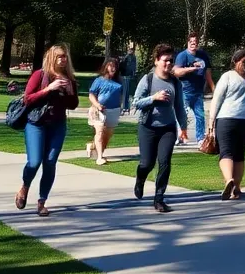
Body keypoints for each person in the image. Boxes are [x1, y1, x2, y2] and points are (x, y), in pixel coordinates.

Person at [16, 45, 79, 217]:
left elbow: (73, 105)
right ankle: (25, 186)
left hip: (57, 125)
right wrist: (48, 89)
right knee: (34, 162)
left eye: (65, 56)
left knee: (50, 162)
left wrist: (69, 91)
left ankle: (42, 202)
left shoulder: (69, 78)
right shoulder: (40, 75)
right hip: (36, 123)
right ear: (52, 58)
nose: (63, 59)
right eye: (59, 56)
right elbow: (27, 99)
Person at [133, 44, 189, 213]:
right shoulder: (148, 79)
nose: (168, 64)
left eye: (171, 60)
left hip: (168, 128)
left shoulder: (175, 82)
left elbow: (179, 106)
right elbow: (135, 102)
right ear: (157, 60)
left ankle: (159, 199)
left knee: (164, 162)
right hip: (148, 127)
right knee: (147, 163)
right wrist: (153, 98)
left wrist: (183, 127)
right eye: (165, 60)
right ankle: (140, 178)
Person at [208, 49, 245, 200]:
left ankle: (229, 181)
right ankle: (236, 188)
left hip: (227, 119)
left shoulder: (227, 76)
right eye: (244, 61)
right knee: (239, 154)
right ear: (235, 62)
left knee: (226, 152)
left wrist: (211, 121)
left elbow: (216, 100)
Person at [173, 34, 214, 145]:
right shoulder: (182, 56)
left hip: (198, 91)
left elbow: (208, 73)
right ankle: (180, 136)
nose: (193, 43)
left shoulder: (203, 55)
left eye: (195, 42)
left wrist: (213, 88)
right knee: (183, 115)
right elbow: (176, 72)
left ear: (197, 43)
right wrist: (191, 69)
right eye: (191, 41)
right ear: (187, 43)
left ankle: (200, 138)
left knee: (200, 115)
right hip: (184, 90)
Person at [86, 58, 125, 165]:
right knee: (100, 132)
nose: (113, 68)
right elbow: (91, 94)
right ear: (106, 67)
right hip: (99, 110)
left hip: (114, 110)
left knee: (107, 135)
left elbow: (121, 96)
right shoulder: (99, 80)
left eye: (115, 66)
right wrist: (97, 105)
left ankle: (93, 146)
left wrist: (121, 107)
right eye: (110, 65)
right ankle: (99, 157)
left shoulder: (119, 82)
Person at [120, 42, 138, 113]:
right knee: (126, 92)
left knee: (128, 93)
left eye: (131, 49)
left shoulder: (132, 57)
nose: (131, 51)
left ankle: (127, 106)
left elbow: (133, 67)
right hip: (126, 76)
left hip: (130, 76)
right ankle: (125, 106)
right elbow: (124, 66)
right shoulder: (127, 57)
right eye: (130, 49)